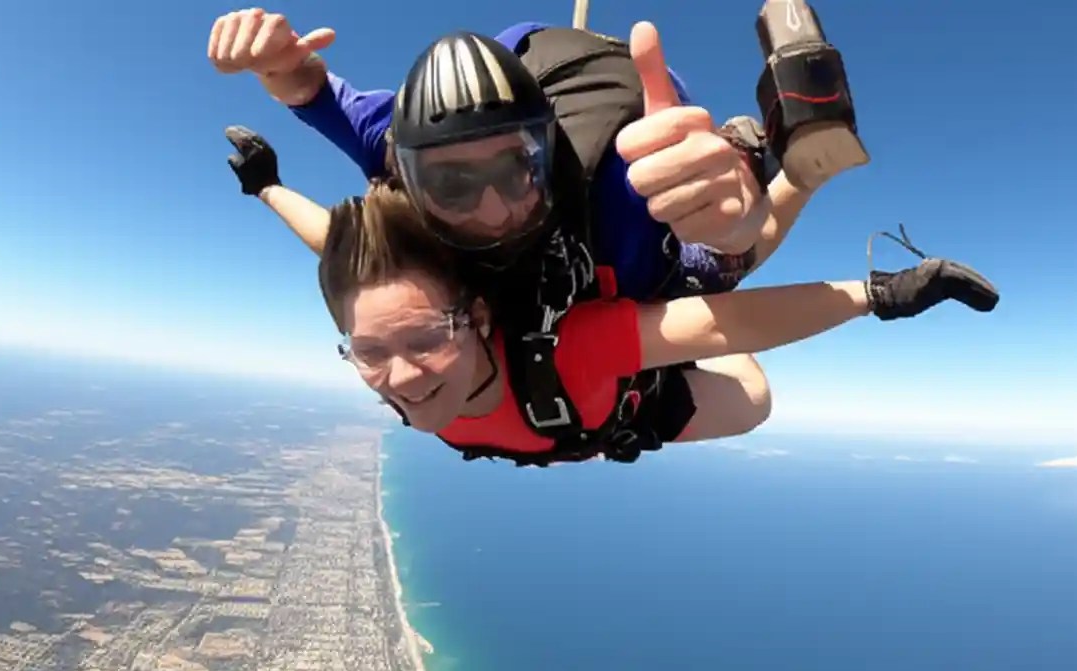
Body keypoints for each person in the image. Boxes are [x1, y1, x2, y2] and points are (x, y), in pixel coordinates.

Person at [315, 182, 999, 467]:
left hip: (621, 372)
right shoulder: (395, 331)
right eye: (369, 353)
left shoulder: (567, 353)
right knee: (744, 378)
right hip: (623, 408)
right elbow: (325, 240)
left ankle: (797, 167)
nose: (398, 376)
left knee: (727, 290)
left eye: (426, 341)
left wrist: (878, 295)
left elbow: (729, 326)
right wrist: (265, 187)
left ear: (477, 317)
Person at [208, 11, 823, 300]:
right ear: (411, 181)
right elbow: (310, 89)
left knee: (723, 267)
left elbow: (721, 224)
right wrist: (277, 69)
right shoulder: (397, 146)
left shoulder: (621, 187)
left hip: (632, 208)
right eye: (453, 185)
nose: (495, 207)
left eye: (514, 169)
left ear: (547, 146)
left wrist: (730, 218)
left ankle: (776, 153)